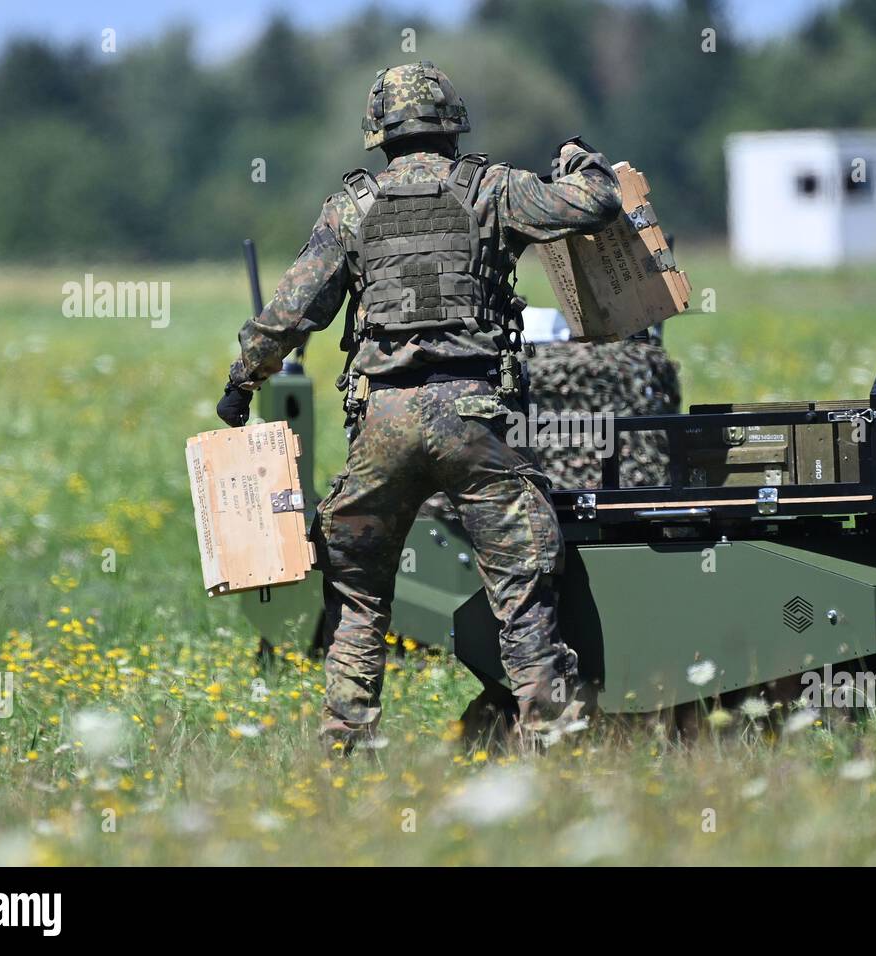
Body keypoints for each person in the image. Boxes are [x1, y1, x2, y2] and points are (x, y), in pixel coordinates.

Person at [216, 61, 622, 751]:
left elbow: (288, 314)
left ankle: (345, 748)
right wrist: (581, 158)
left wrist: (239, 385)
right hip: (473, 421)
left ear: (378, 132)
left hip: (382, 427)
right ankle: (552, 746)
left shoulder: (351, 208)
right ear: (451, 123)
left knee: (360, 602)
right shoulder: (495, 190)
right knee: (523, 596)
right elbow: (595, 204)